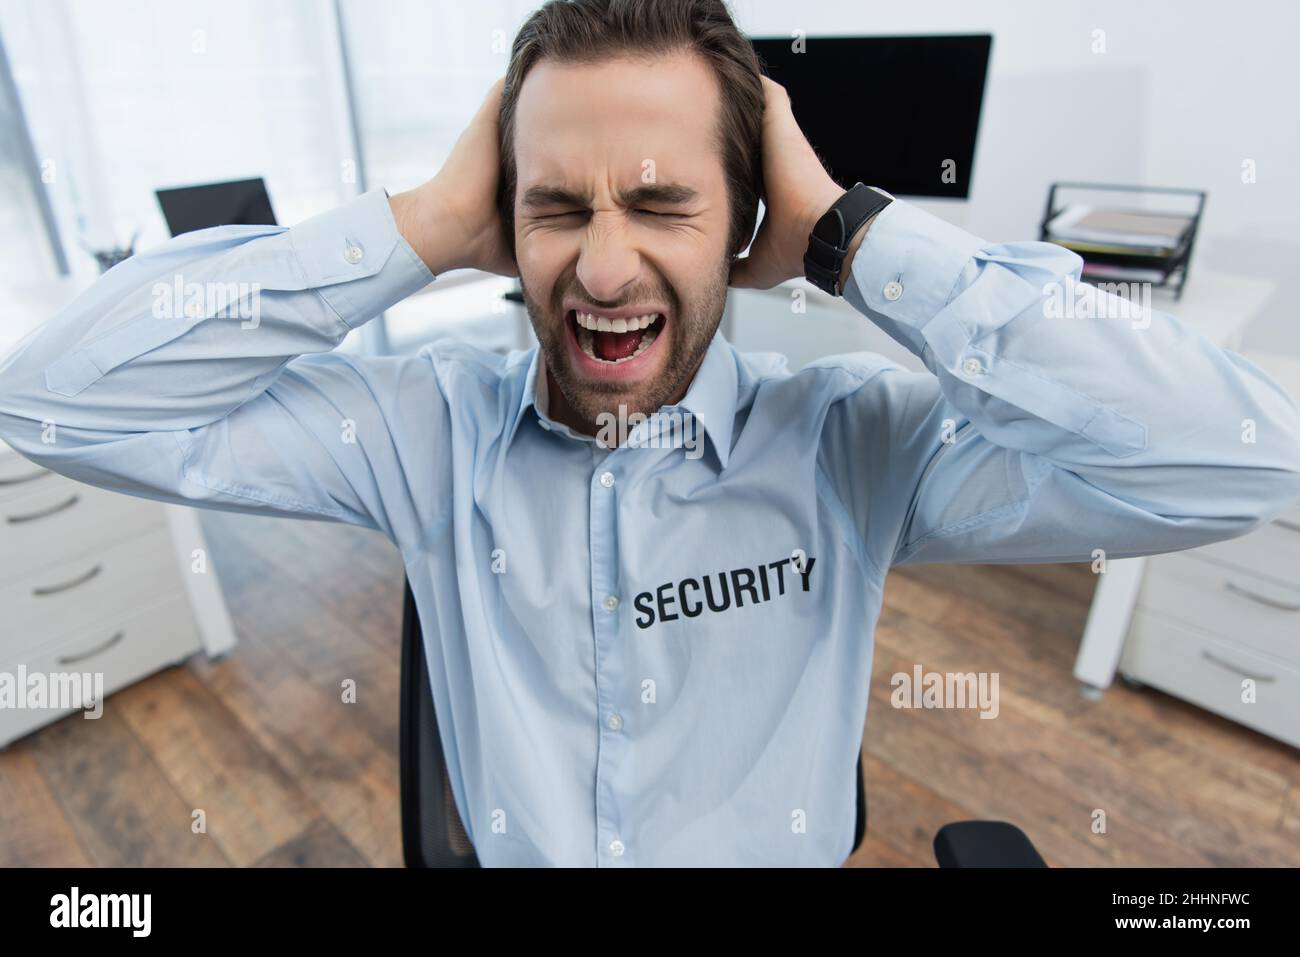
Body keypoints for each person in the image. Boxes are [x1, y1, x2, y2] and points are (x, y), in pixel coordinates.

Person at [1, 0, 1298, 867]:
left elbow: (1246, 458)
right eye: (555, 206)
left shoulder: (855, 443)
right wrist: (421, 224)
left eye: (664, 204)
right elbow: (52, 397)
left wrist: (857, 238)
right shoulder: (420, 432)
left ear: (748, 228)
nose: (604, 267)